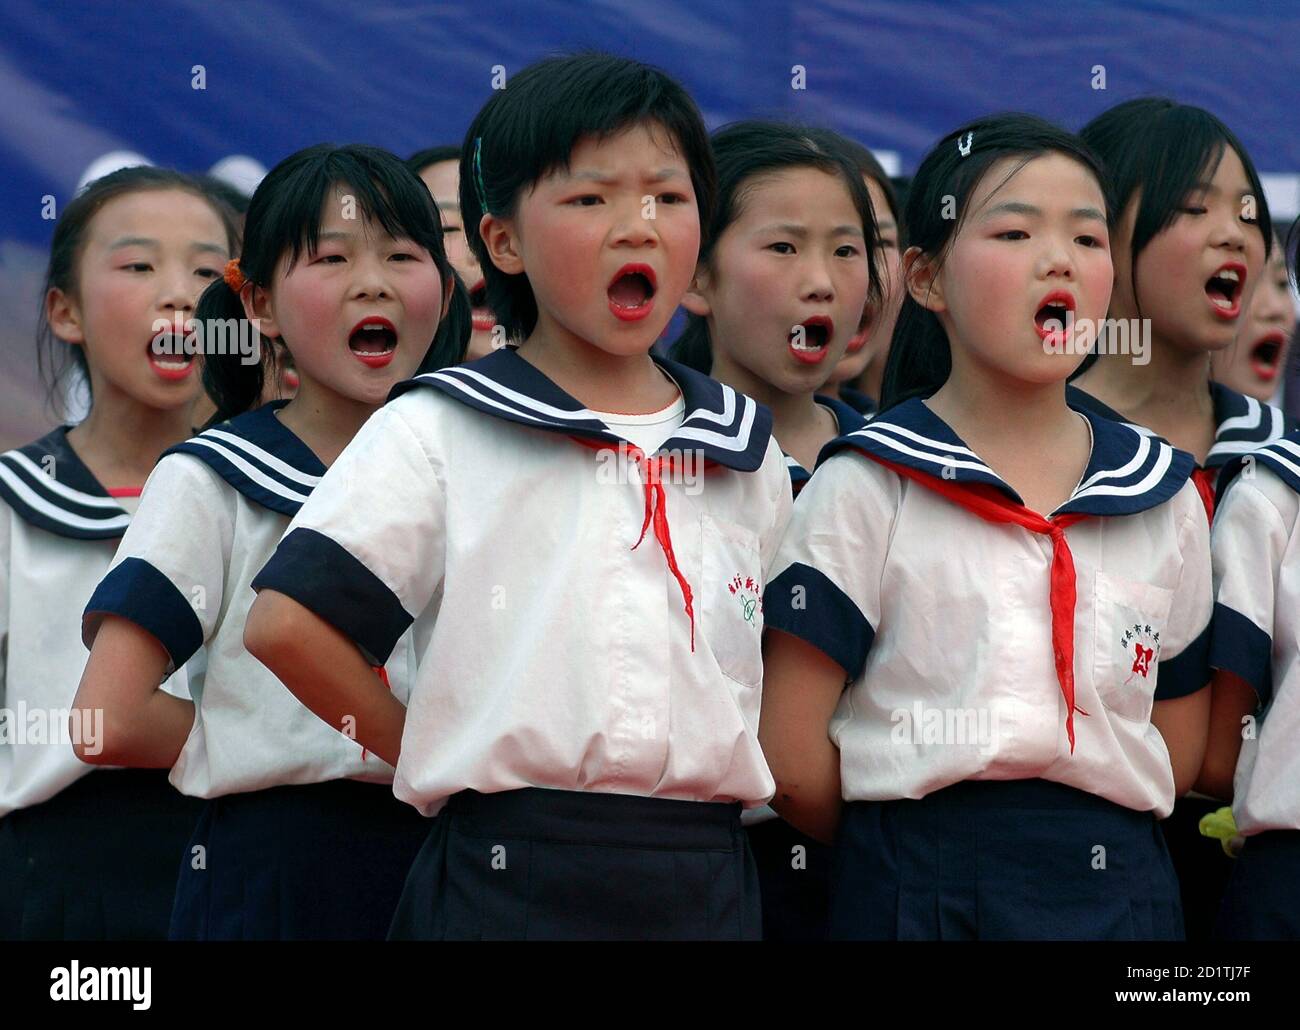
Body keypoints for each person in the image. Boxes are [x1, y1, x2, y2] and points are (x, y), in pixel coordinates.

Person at [243, 52, 792, 941]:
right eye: (590, 199)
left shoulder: (742, 447)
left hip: (706, 876)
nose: (637, 226)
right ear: (503, 242)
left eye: (669, 196)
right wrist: (433, 748)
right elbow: (287, 624)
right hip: (506, 875)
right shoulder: (443, 428)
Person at [760, 114, 1212, 940]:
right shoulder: (869, 481)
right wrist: (910, 850)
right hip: (916, 881)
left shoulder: (1163, 491)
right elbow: (791, 760)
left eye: (1087, 236)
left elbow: (1178, 744)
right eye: (1013, 231)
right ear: (926, 279)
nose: (1059, 259)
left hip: (1125, 891)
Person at [72, 144, 467, 940]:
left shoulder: (485, 465)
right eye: (332, 257)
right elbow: (104, 720)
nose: (373, 281)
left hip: (459, 859)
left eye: (401, 254)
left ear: (446, 288)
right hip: (275, 873)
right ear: (256, 305)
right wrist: (262, 741)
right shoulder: (213, 478)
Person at [0, 166, 237, 939]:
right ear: (64, 312)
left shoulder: (283, 494)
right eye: (138, 266)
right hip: (56, 887)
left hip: (241, 865)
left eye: (207, 271)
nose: (179, 295)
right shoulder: (13, 503)